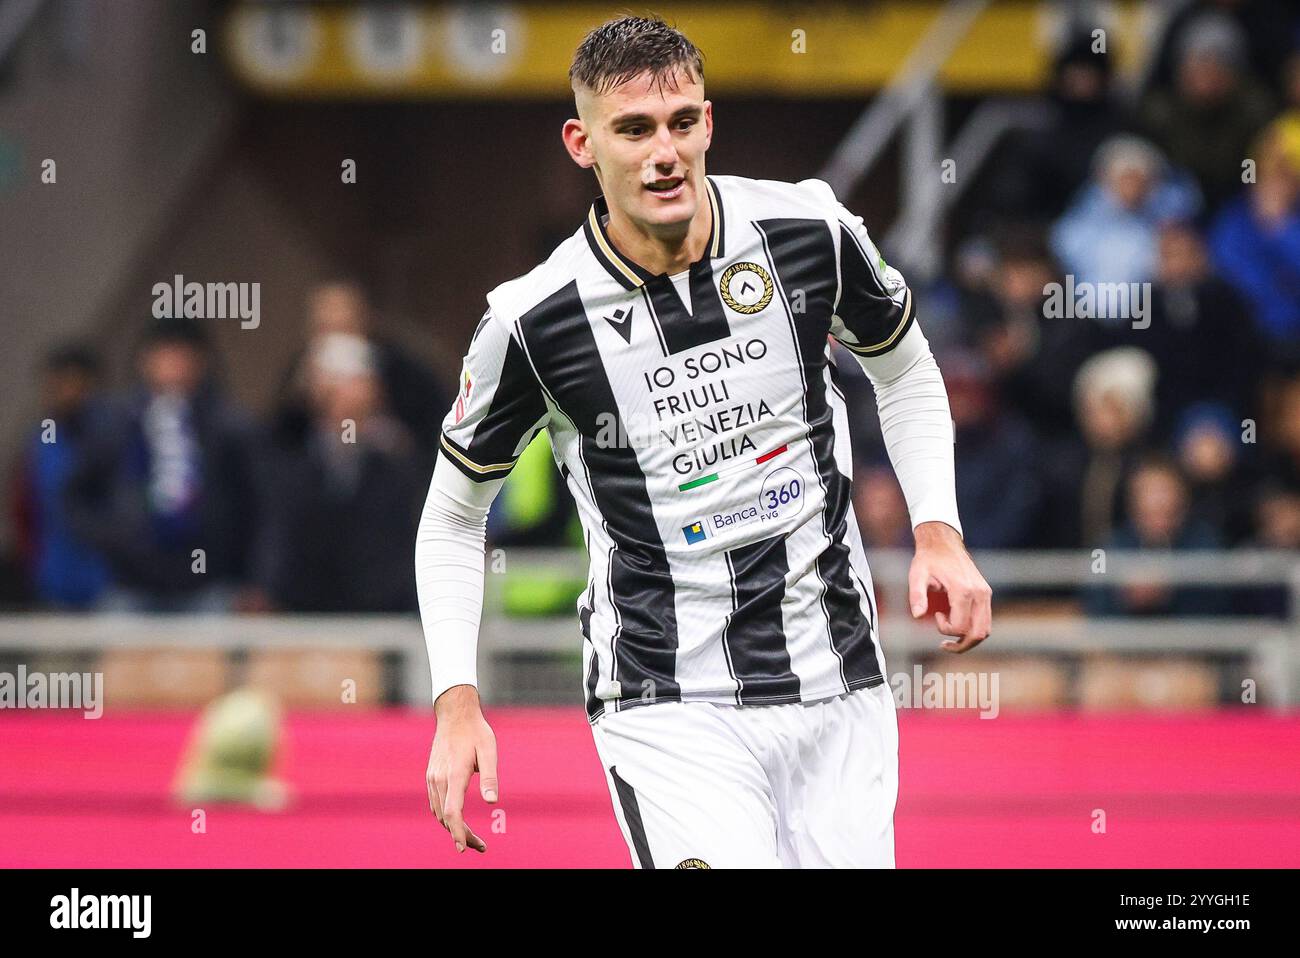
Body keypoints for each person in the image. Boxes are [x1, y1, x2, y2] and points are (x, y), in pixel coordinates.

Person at [415, 15, 991, 869]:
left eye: (683, 123)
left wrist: (937, 531)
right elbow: (454, 520)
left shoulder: (810, 232)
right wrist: (456, 700)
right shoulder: (532, 322)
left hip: (839, 679)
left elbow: (903, 372)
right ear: (583, 143)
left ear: (709, 124)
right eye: (635, 129)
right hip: (666, 700)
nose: (664, 153)